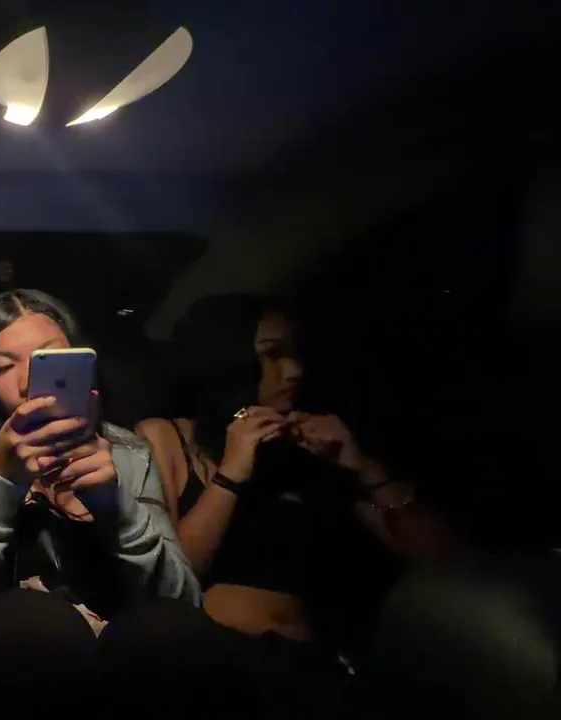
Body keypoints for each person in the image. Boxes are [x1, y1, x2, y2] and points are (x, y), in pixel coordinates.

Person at [136, 293, 457, 717]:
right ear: (227, 356)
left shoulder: (304, 446)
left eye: (295, 355)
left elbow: (438, 558)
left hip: (313, 664)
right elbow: (173, 580)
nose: (295, 371)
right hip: (219, 656)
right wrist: (232, 471)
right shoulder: (167, 437)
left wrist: (364, 467)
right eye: (273, 355)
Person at [0, 289, 208, 717]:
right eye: (4, 367)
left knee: (167, 632)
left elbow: (185, 603)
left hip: (119, 657)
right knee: (34, 623)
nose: (26, 383)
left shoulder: (126, 451)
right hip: (0, 661)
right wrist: (1, 481)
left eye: (47, 360)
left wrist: (116, 508)